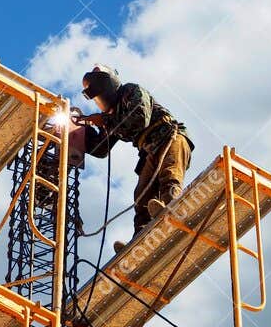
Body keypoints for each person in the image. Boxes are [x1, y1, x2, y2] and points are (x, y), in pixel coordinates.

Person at [77, 65, 193, 253]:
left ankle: (173, 208)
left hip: (170, 137)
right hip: (149, 150)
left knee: (169, 175)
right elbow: (101, 149)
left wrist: (104, 121)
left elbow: (140, 118)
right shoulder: (112, 116)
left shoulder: (131, 91)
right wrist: (83, 131)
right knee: (142, 197)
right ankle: (140, 241)